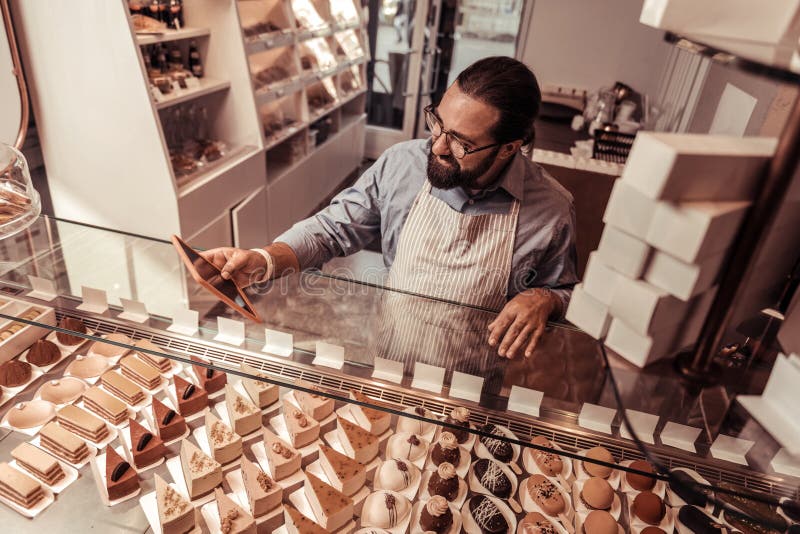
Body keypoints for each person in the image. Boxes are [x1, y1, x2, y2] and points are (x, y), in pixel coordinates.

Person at [202, 56, 578, 371]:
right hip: (388, 358)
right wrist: (263, 259)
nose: (439, 148)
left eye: (462, 143)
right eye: (438, 124)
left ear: (509, 148)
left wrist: (545, 298)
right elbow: (331, 228)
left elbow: (563, 291)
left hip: (472, 383)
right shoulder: (403, 164)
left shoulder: (551, 209)